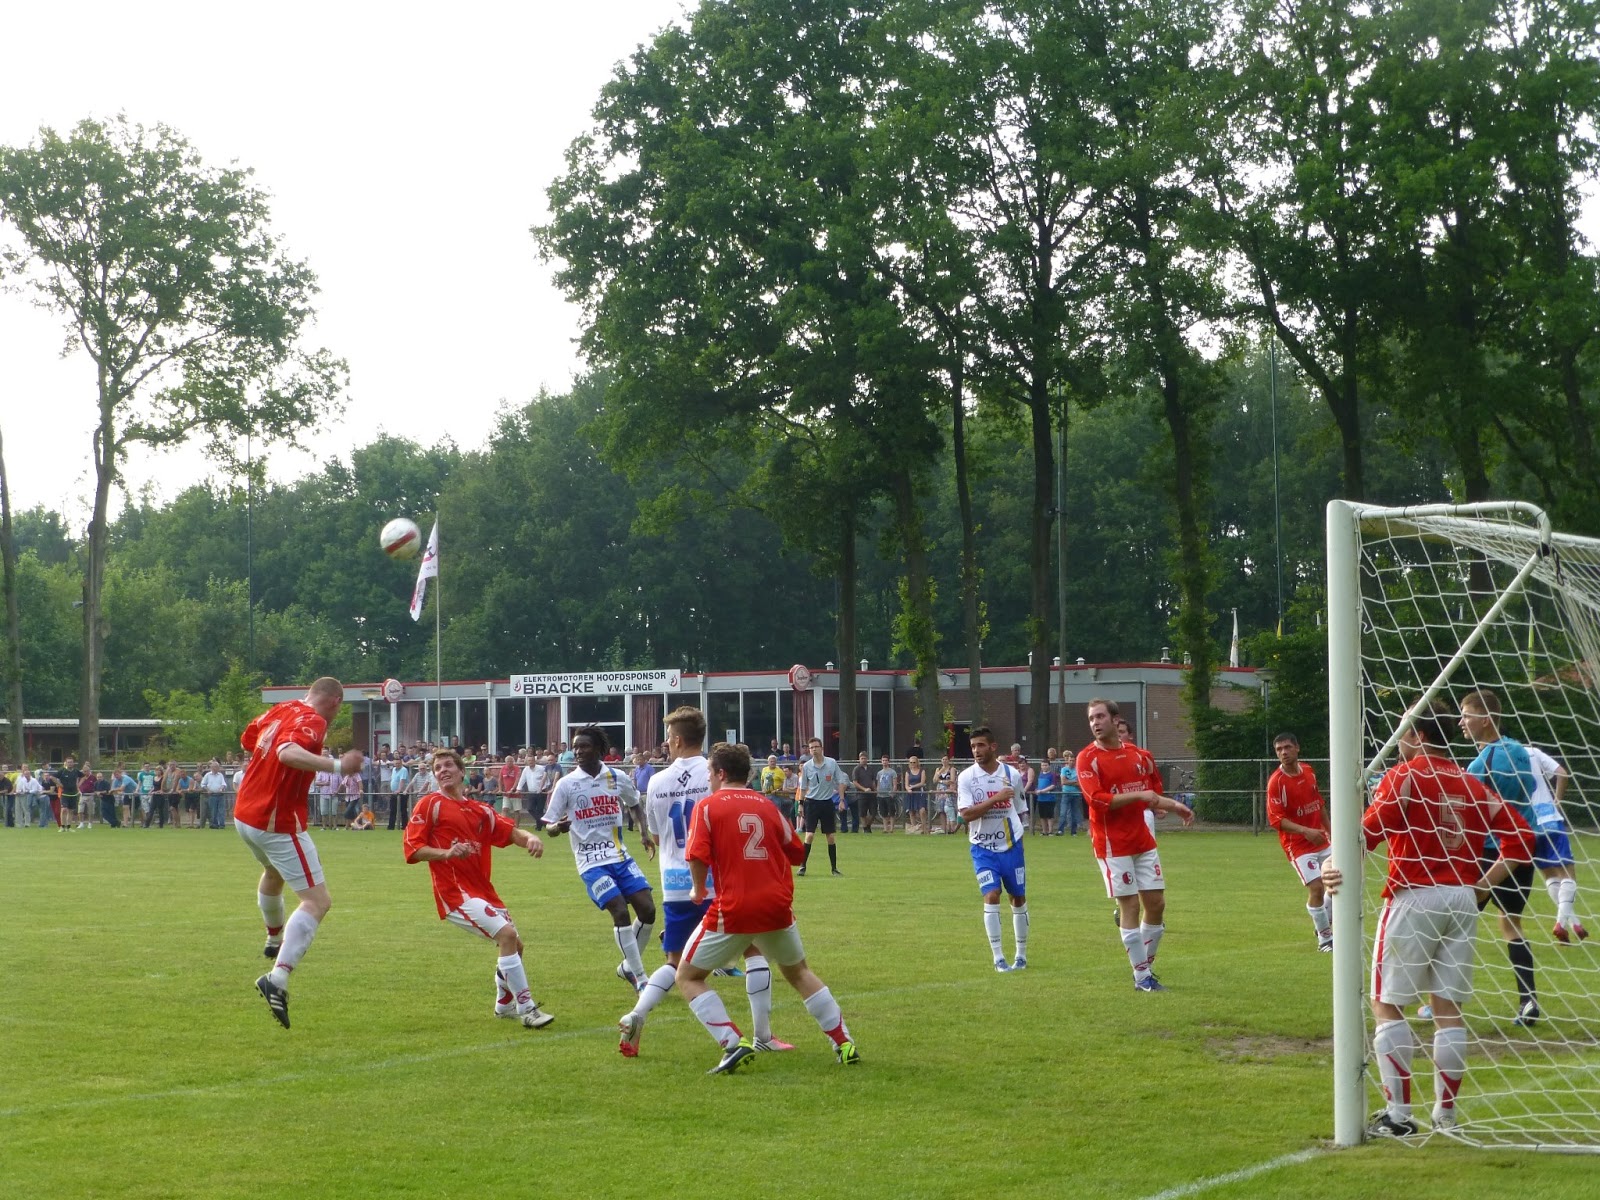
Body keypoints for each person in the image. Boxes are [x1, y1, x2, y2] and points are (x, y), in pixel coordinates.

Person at [1321, 700, 1535, 1137]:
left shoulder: (1405, 776)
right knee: (1448, 1011)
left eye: (1403, 732)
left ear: (1418, 736)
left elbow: (1366, 833)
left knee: (1386, 1004)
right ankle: (1446, 1115)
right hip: (1461, 901)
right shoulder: (1473, 784)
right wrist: (1480, 886)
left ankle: (1399, 1117)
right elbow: (1522, 837)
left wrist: (1332, 864)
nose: (1399, 741)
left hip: (1415, 896)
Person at [617, 708, 794, 1058]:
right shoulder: (717, 772)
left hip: (675, 881)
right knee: (753, 948)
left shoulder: (655, 781)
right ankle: (763, 1035)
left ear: (679, 739)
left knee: (675, 960)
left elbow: (655, 832)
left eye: (668, 737)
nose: (666, 743)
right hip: (720, 881)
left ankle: (637, 1013)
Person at [676, 741, 859, 1074]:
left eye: (710, 772)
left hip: (734, 907)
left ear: (720, 773)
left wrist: (699, 888)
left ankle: (733, 1042)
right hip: (777, 905)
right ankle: (844, 1043)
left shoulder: (707, 806)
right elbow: (796, 854)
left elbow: (697, 854)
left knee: (688, 976)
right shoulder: (768, 806)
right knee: (799, 972)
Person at [234, 676, 364, 1029]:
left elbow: (249, 739)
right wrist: (338, 767)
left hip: (246, 814)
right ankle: (277, 978)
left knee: (274, 873)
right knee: (317, 901)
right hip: (276, 820)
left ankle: (274, 937)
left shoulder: (282, 707)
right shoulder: (313, 720)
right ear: (336, 701)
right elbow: (286, 752)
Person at [1459, 689, 1586, 1028]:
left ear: (1486, 719)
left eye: (1466, 715)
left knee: (1455, 922)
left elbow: (1473, 810)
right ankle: (1528, 1001)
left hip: (1488, 851)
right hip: (1522, 848)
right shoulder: (1520, 751)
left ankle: (1440, 1001)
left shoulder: (1480, 763)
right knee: (1511, 922)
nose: (1462, 723)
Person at [404, 747, 555, 1029]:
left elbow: (510, 831)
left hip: (483, 890)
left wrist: (530, 837)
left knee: (515, 947)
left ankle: (503, 1005)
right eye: (438, 768)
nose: (443, 771)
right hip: (454, 892)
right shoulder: (429, 804)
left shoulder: (480, 810)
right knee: (508, 935)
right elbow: (413, 849)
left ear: (463, 772)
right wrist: (445, 854)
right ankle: (528, 1009)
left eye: (449, 765)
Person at [1077, 698, 1194, 992]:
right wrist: (1140, 796)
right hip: (1112, 844)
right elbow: (1097, 800)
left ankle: (1144, 968)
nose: (1095, 723)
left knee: (1156, 905)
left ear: (1116, 720)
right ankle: (1143, 978)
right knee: (1129, 905)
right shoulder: (1087, 758)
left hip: (1142, 840)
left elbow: (1150, 796)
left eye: (1100, 716)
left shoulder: (1137, 755)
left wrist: (1177, 806)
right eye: (1091, 718)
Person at [541, 725, 658, 991]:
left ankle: (628, 966)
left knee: (648, 910)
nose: (578, 751)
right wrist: (556, 828)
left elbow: (634, 804)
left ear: (599, 749)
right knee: (619, 910)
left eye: (584, 746)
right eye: (575, 747)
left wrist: (643, 833)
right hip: (590, 861)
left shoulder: (616, 777)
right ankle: (641, 978)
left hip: (619, 856)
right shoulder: (567, 784)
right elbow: (548, 825)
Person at [957, 726, 1032, 972]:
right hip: (982, 848)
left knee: (1018, 898)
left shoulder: (1012, 775)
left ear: (993, 747)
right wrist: (995, 798)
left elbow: (1021, 808)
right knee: (991, 895)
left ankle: (1021, 955)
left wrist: (1020, 832)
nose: (976, 751)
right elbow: (966, 815)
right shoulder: (966, 777)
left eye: (980, 745)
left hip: (1011, 845)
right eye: (973, 747)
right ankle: (998, 958)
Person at [1265, 732, 1332, 951]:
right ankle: (1325, 939)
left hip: (1321, 839)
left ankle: (1323, 920)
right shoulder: (1277, 782)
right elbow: (1276, 820)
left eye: (1287, 747)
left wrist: (1331, 832)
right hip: (1298, 845)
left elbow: (1318, 803)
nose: (1283, 752)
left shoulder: (1309, 772)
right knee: (1316, 888)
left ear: (1297, 748)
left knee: (1339, 880)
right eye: (1279, 749)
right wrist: (1306, 831)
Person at [798, 738, 848, 876]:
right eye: (811, 747)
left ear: (821, 748)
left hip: (827, 803)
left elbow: (841, 781)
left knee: (831, 837)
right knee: (809, 836)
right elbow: (803, 788)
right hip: (811, 803)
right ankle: (802, 866)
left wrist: (842, 800)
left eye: (816, 747)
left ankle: (834, 868)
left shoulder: (831, 763)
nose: (813, 749)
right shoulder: (807, 766)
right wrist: (801, 805)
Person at [932, 754, 958, 834]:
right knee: (941, 810)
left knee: (948, 809)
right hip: (940, 791)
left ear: (948, 760)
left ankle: (951, 828)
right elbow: (934, 780)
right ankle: (943, 828)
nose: (944, 761)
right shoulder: (938, 769)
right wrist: (939, 773)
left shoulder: (952, 769)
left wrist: (941, 781)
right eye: (943, 759)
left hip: (948, 791)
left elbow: (952, 780)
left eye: (946, 759)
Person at [201, 760, 231, 830]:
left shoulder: (220, 775)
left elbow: (224, 784)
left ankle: (222, 825)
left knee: (221, 811)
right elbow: (203, 784)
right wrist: (207, 790)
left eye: (217, 767)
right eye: (214, 767)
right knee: (213, 811)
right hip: (212, 795)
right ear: (211, 767)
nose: (215, 768)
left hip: (220, 795)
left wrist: (221, 788)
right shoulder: (207, 775)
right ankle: (214, 824)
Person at [850, 751, 876, 833]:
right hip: (861, 794)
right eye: (862, 758)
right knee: (862, 813)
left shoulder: (870, 769)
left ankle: (867, 826)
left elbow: (873, 781)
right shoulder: (856, 769)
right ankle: (865, 829)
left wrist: (875, 790)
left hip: (871, 793)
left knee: (873, 812)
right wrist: (864, 789)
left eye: (865, 758)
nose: (863, 760)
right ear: (859, 759)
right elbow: (855, 782)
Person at [872, 754, 897, 835]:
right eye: (883, 760)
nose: (884, 762)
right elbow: (878, 783)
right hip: (881, 795)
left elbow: (895, 784)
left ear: (888, 761)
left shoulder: (892, 772)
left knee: (892, 812)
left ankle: (892, 828)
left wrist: (893, 792)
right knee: (883, 812)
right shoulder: (879, 773)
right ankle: (885, 828)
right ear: (881, 762)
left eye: (886, 760)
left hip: (889, 794)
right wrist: (877, 792)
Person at [904, 755, 929, 834]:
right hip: (911, 793)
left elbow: (922, 783)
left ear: (917, 762)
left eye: (914, 762)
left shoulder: (922, 771)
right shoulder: (908, 772)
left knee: (922, 810)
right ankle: (914, 829)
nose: (912, 764)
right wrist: (908, 789)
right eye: (911, 762)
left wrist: (913, 786)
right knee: (911, 812)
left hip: (919, 792)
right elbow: (906, 784)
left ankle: (925, 829)